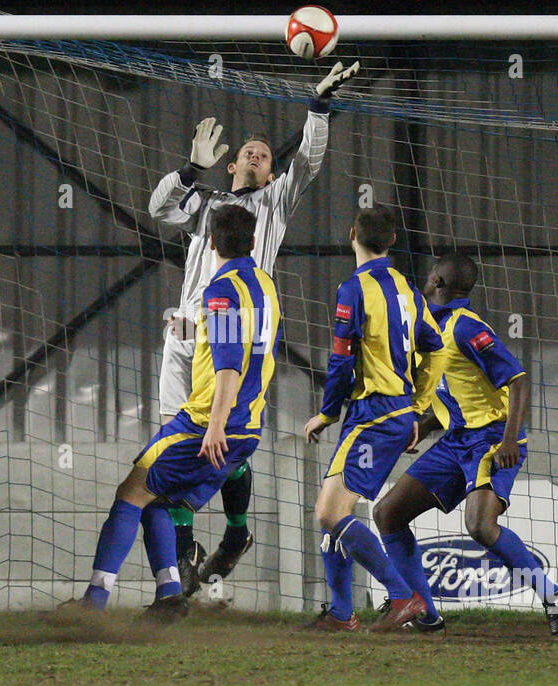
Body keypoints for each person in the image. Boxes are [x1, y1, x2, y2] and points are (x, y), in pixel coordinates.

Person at [148, 60, 360, 594]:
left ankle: (235, 533)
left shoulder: (274, 203)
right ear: (232, 165)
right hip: (180, 343)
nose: (256, 154)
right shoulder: (206, 204)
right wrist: (190, 170)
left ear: (270, 174)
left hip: (229, 341)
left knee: (221, 445)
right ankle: (191, 549)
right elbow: (158, 208)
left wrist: (318, 106)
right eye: (249, 150)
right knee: (174, 448)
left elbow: (308, 162)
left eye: (265, 155)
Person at [76, 205, 281, 620]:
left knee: (129, 494)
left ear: (210, 243)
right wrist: (194, 330)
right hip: (250, 426)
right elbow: (246, 340)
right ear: (255, 244)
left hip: (206, 423)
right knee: (158, 500)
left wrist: (215, 425)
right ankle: (169, 595)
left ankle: (93, 602)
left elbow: (227, 363)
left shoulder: (220, 289)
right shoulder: (264, 283)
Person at [372, 252, 558, 636]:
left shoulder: (466, 327)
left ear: (439, 283)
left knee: (480, 526)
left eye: (431, 275)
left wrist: (511, 437)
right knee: (388, 515)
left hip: (491, 439)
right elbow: (457, 390)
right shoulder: (432, 327)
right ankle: (426, 614)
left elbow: (518, 380)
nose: (426, 279)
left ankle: (551, 595)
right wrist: (425, 424)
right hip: (456, 440)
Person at [302, 207, 444, 632]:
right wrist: (419, 406)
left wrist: (327, 413)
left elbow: (341, 361)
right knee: (336, 513)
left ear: (351, 235)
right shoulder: (406, 287)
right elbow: (435, 348)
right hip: (394, 414)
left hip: (374, 416)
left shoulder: (354, 289)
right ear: (394, 240)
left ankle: (402, 597)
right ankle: (342, 612)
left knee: (329, 514)